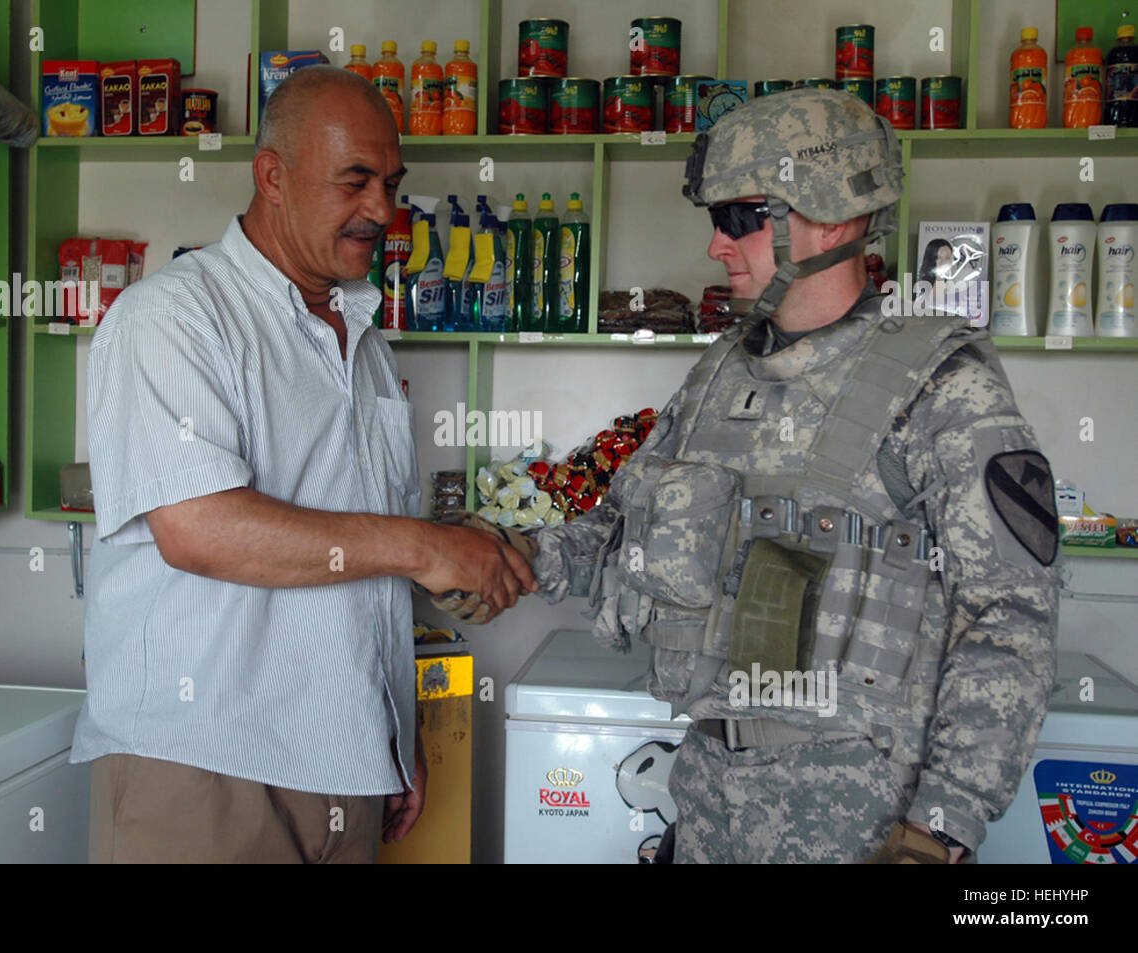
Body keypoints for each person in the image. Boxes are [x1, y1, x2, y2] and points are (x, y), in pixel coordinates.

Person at [454, 87, 1061, 863]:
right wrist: (505, 557)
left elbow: (1008, 621)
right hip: (712, 810)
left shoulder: (942, 387)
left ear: (834, 218)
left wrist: (938, 830)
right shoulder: (715, 377)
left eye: (741, 217)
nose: (717, 246)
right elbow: (617, 537)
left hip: (864, 826)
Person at [70, 66, 536, 864]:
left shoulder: (364, 337)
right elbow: (200, 529)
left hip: (346, 767)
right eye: (354, 180)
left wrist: (391, 728)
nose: (383, 211)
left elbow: (357, 560)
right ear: (272, 176)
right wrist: (428, 546)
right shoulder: (175, 317)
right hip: (204, 775)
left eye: (391, 183)